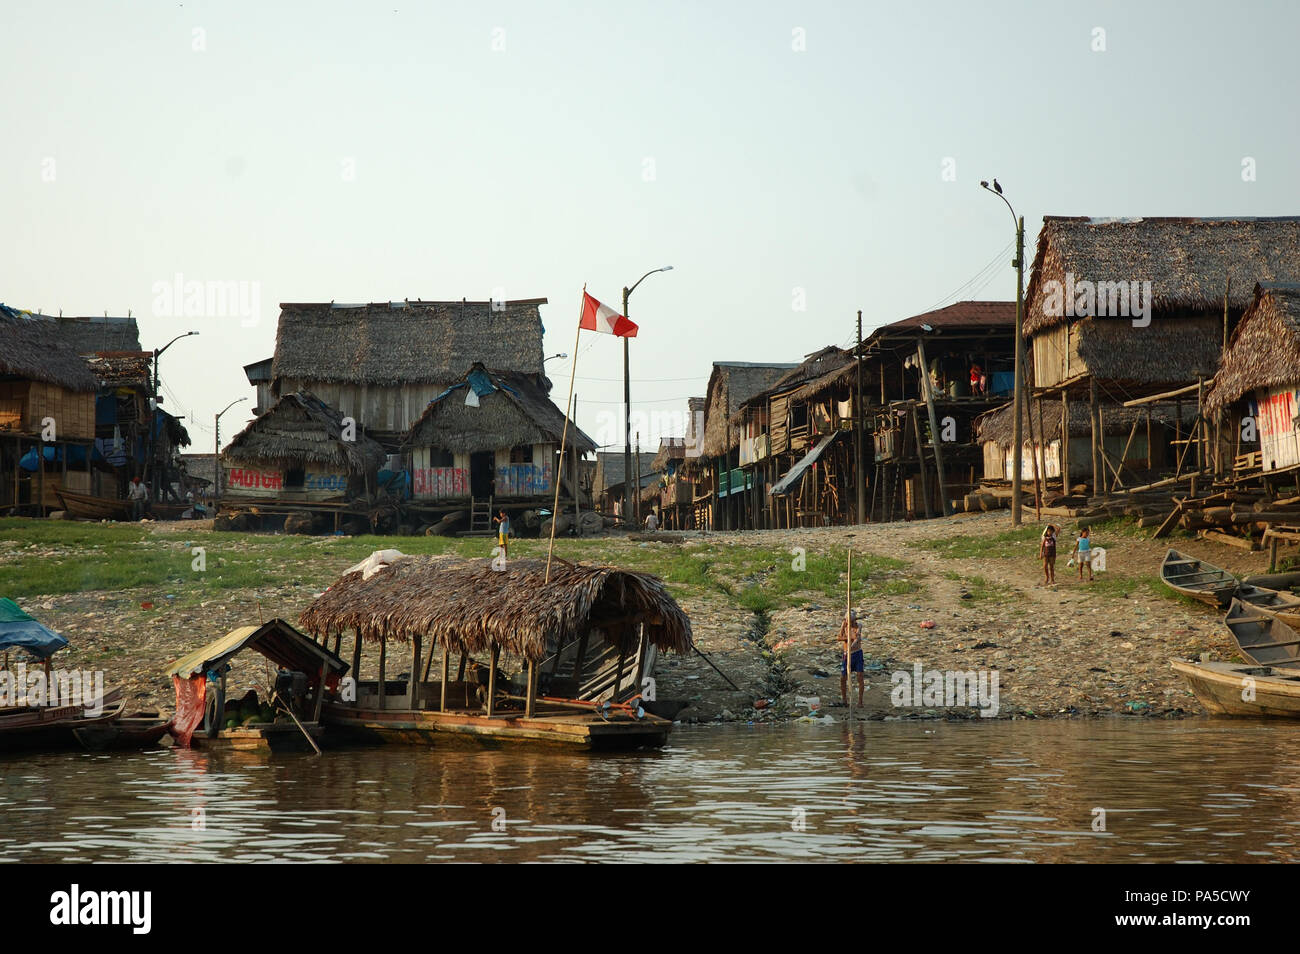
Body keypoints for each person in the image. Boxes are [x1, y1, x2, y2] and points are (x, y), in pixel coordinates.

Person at [838, 610, 864, 708]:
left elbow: (857, 639)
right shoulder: (844, 626)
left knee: (860, 676)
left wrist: (851, 645)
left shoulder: (858, 626)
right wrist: (843, 626)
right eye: (847, 621)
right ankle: (844, 700)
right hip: (846, 655)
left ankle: (860, 701)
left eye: (851, 621)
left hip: (857, 654)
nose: (849, 623)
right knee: (843, 677)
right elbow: (839, 637)